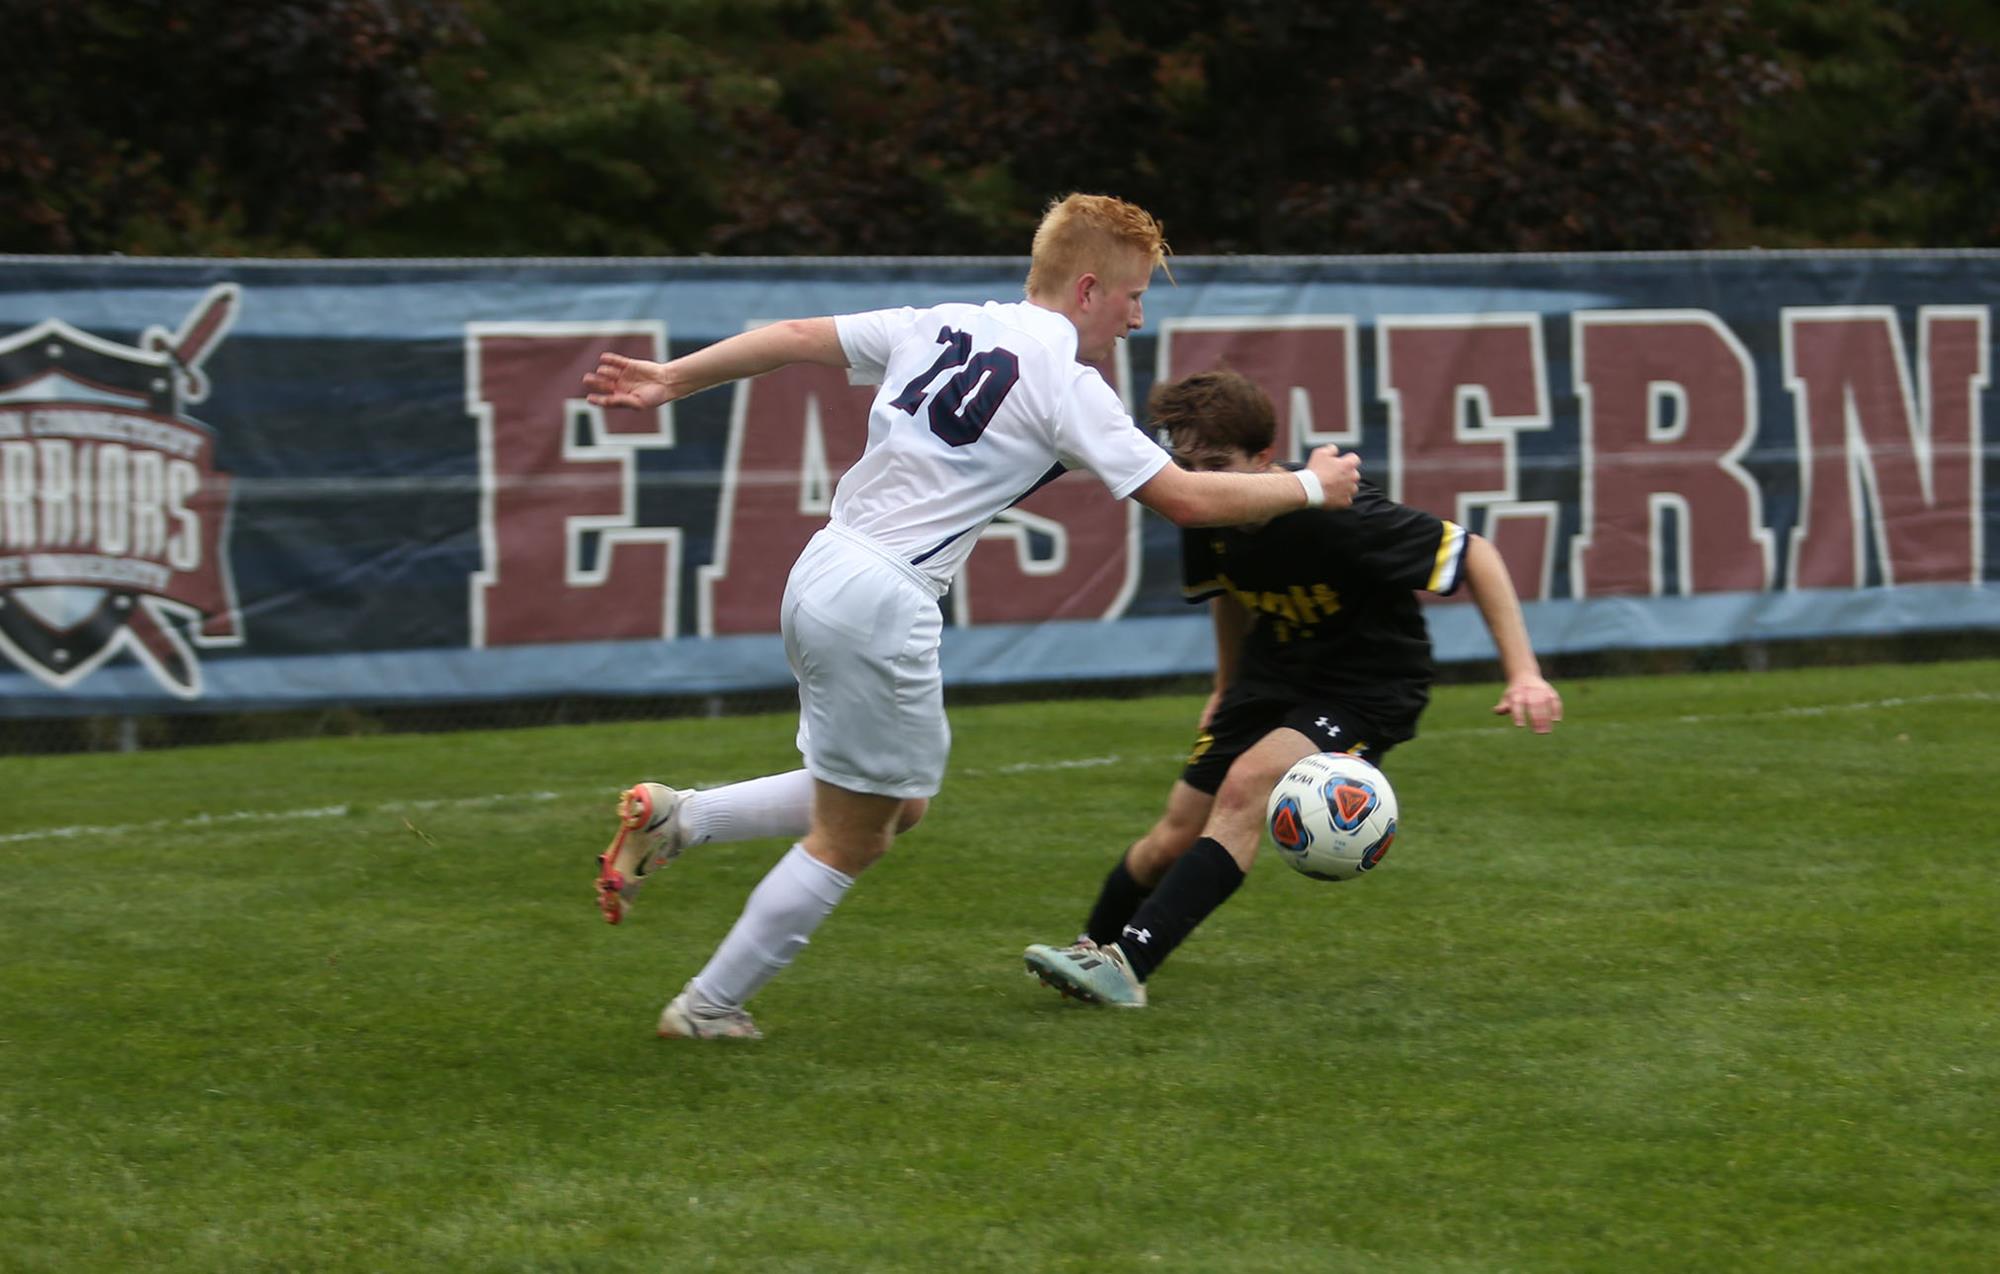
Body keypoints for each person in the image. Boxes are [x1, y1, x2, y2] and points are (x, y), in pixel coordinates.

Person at [580, 194, 1363, 1039]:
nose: (1139, 317)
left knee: (896, 801)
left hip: (822, 569)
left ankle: (682, 818)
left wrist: (673, 378)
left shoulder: (946, 322)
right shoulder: (1067, 384)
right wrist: (1314, 486)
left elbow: (800, 337)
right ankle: (706, 1007)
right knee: (856, 836)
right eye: (1134, 295)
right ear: (1090, 288)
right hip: (884, 600)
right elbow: (1183, 497)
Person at [1023, 369, 1562, 1008]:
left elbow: (1476, 553)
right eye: (1189, 464)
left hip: (1367, 687)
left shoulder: (1338, 516)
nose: (1203, 477)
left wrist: (1523, 671)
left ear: (1263, 457)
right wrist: (1227, 685)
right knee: (1171, 836)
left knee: (1249, 786)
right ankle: (1093, 949)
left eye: (1219, 462)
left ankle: (1129, 969)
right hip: (1269, 678)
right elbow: (1228, 599)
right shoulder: (1202, 509)